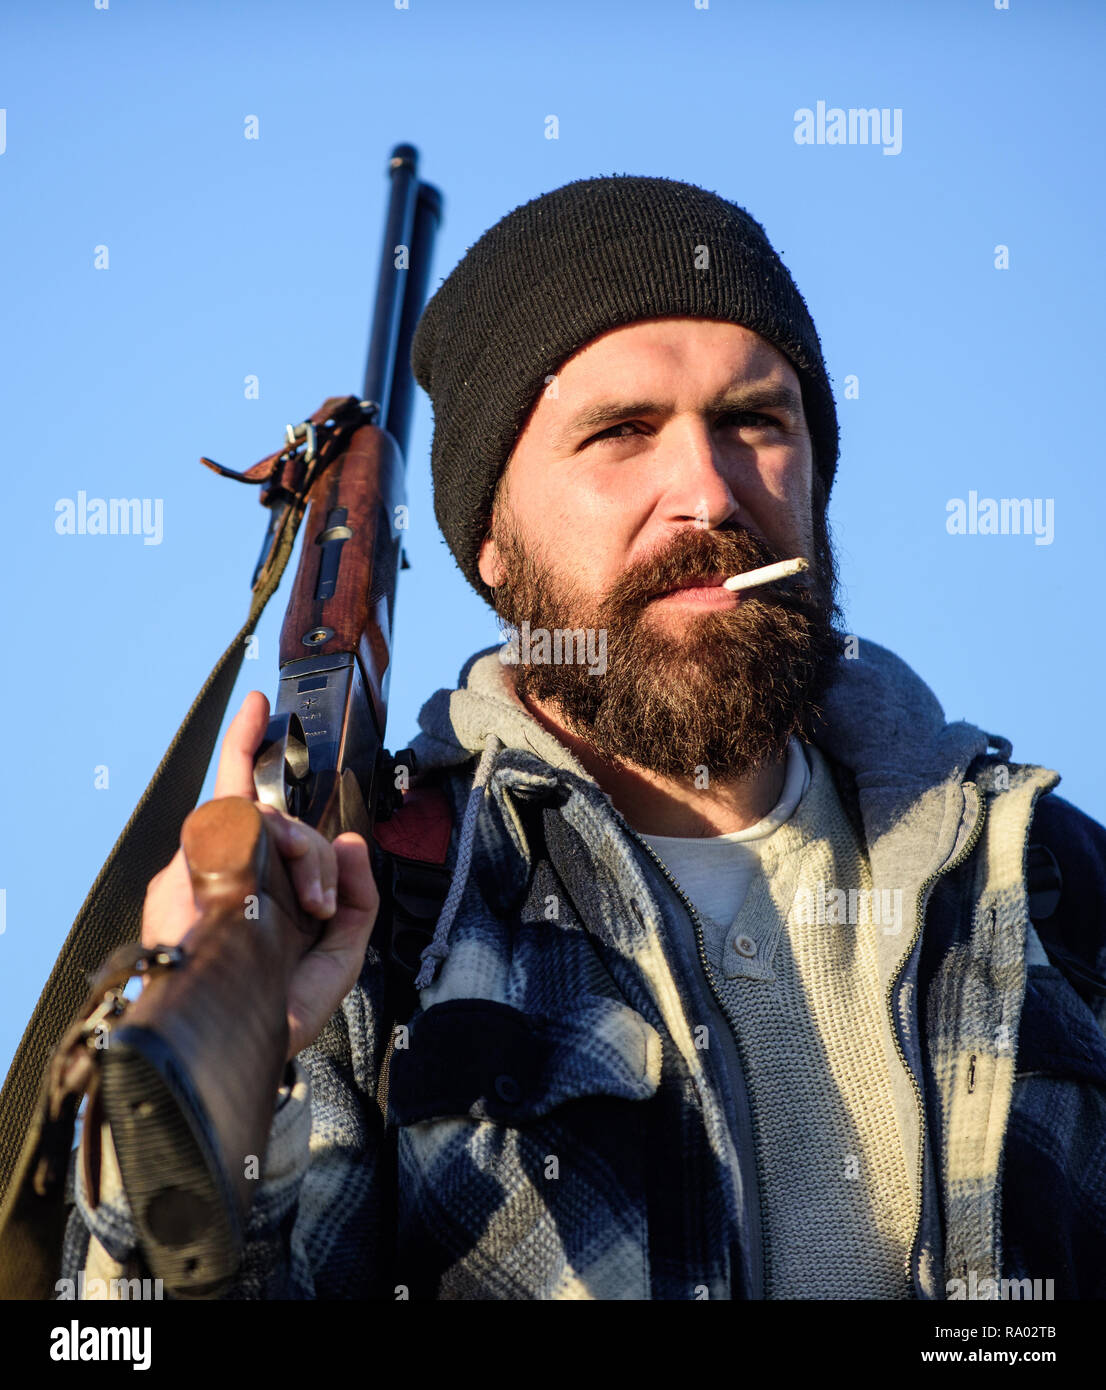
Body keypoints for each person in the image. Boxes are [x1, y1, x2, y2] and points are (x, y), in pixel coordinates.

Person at [61, 175, 1106, 1300]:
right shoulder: (384, 911)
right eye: (619, 433)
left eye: (753, 419)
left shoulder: (1044, 884)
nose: (704, 494)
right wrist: (221, 1064)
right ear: (491, 545)